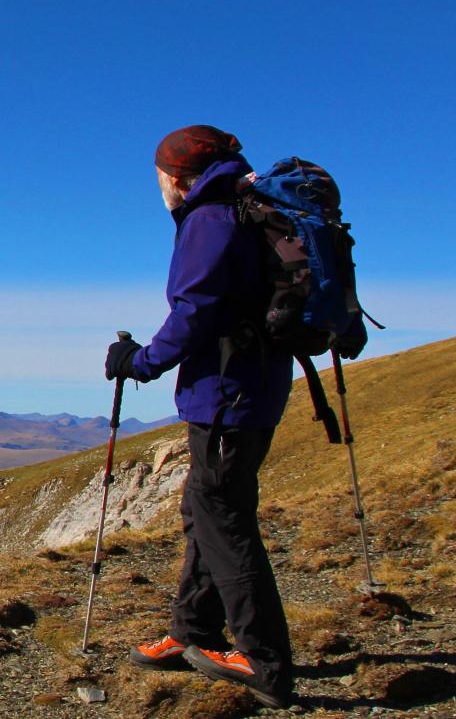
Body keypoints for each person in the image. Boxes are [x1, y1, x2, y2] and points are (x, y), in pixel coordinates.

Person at [102, 124, 301, 709]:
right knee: (206, 512)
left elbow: (195, 312)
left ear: (175, 176)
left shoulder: (211, 219)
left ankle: (263, 661)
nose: (159, 188)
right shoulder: (243, 209)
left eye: (159, 178)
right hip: (248, 390)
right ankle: (194, 632)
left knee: (225, 521)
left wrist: (139, 362)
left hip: (227, 396)